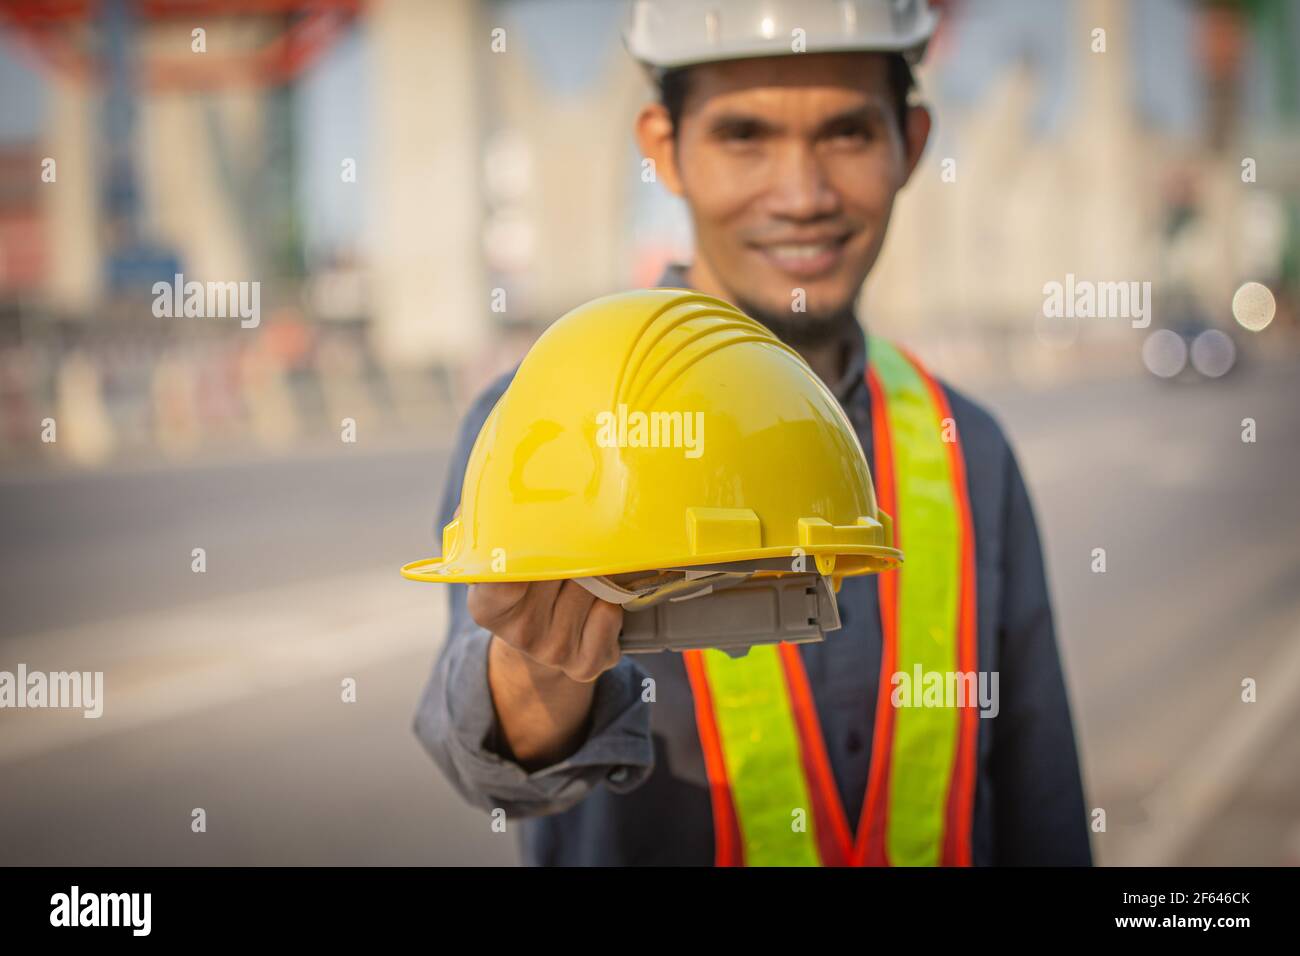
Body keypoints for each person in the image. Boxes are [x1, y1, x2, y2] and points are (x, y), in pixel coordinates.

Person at [414, 0, 1092, 866]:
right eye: (745, 136)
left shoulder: (969, 448)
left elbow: (1042, 799)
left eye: (847, 134)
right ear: (664, 148)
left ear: (911, 143)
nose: (803, 195)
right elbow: (498, 770)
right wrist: (537, 676)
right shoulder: (546, 420)